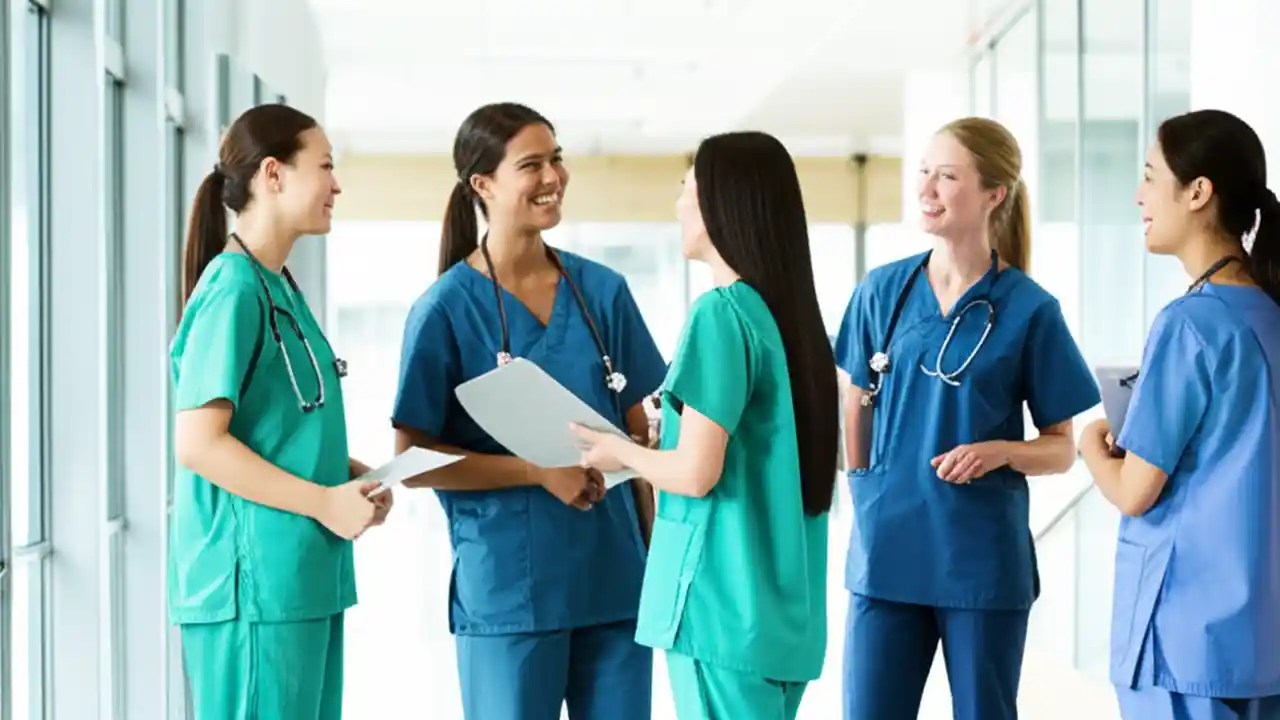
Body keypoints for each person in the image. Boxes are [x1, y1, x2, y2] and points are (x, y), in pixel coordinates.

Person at [391, 102, 668, 720]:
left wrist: (654, 562)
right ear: (482, 185)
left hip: (615, 583)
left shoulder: (602, 293)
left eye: (557, 159)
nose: (553, 177)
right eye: (532, 165)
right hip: (511, 595)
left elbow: (636, 441)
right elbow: (412, 461)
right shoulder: (443, 310)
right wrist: (536, 471)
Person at [834, 117, 1100, 720]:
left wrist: (1001, 451)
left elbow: (1061, 448)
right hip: (888, 547)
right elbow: (854, 397)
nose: (926, 186)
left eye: (947, 175)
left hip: (979, 558)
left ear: (993, 194)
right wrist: (863, 482)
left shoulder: (1030, 309)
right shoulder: (884, 291)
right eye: (923, 171)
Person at [572, 131, 838, 720]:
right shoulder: (791, 323)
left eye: (687, 188)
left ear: (724, 202)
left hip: (721, 610)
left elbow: (695, 475)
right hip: (780, 620)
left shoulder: (720, 313)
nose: (678, 205)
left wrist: (620, 452)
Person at [171, 103, 391, 719]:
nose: (336, 184)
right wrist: (323, 502)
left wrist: (346, 475)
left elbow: (279, 424)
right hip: (254, 589)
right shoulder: (234, 288)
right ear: (273, 174)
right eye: (325, 166)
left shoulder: (279, 285)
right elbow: (198, 443)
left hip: (302, 578)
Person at [1080, 109, 1280, 720]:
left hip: (1184, 644)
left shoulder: (1189, 324)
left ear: (1198, 193)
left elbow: (1137, 490)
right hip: (1262, 645)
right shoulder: (1269, 315)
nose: (1138, 195)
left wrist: (1092, 443)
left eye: (1149, 175)